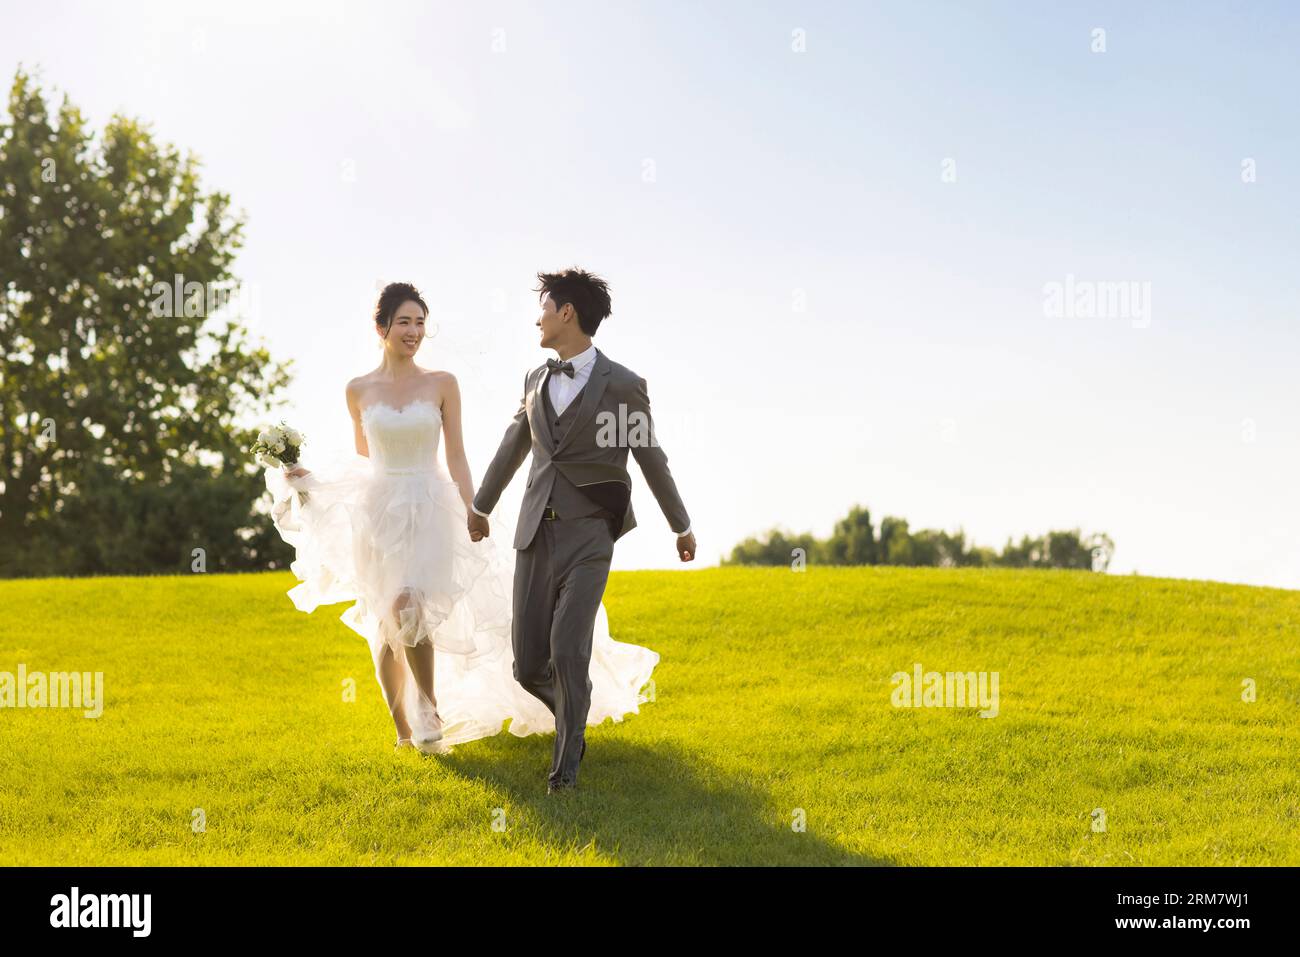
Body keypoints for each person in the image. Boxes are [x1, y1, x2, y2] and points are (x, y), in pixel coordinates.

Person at [263, 281, 659, 763]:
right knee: (385, 620)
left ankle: (429, 714)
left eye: (420, 322)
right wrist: (313, 481)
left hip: (430, 508)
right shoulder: (358, 391)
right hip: (379, 509)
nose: (414, 331)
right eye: (405, 322)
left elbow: (457, 455)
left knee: (411, 606)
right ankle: (403, 731)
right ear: (381, 326)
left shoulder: (443, 383)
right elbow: (364, 459)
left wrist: (476, 507)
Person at [469, 268, 695, 794]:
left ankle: (565, 767)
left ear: (566, 313)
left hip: (590, 535)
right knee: (528, 666)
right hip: (534, 533)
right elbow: (512, 445)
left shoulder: (623, 384)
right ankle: (576, 713)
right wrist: (481, 506)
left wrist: (680, 525)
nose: (538, 318)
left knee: (569, 648)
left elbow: (651, 459)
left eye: (544, 308)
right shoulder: (535, 378)